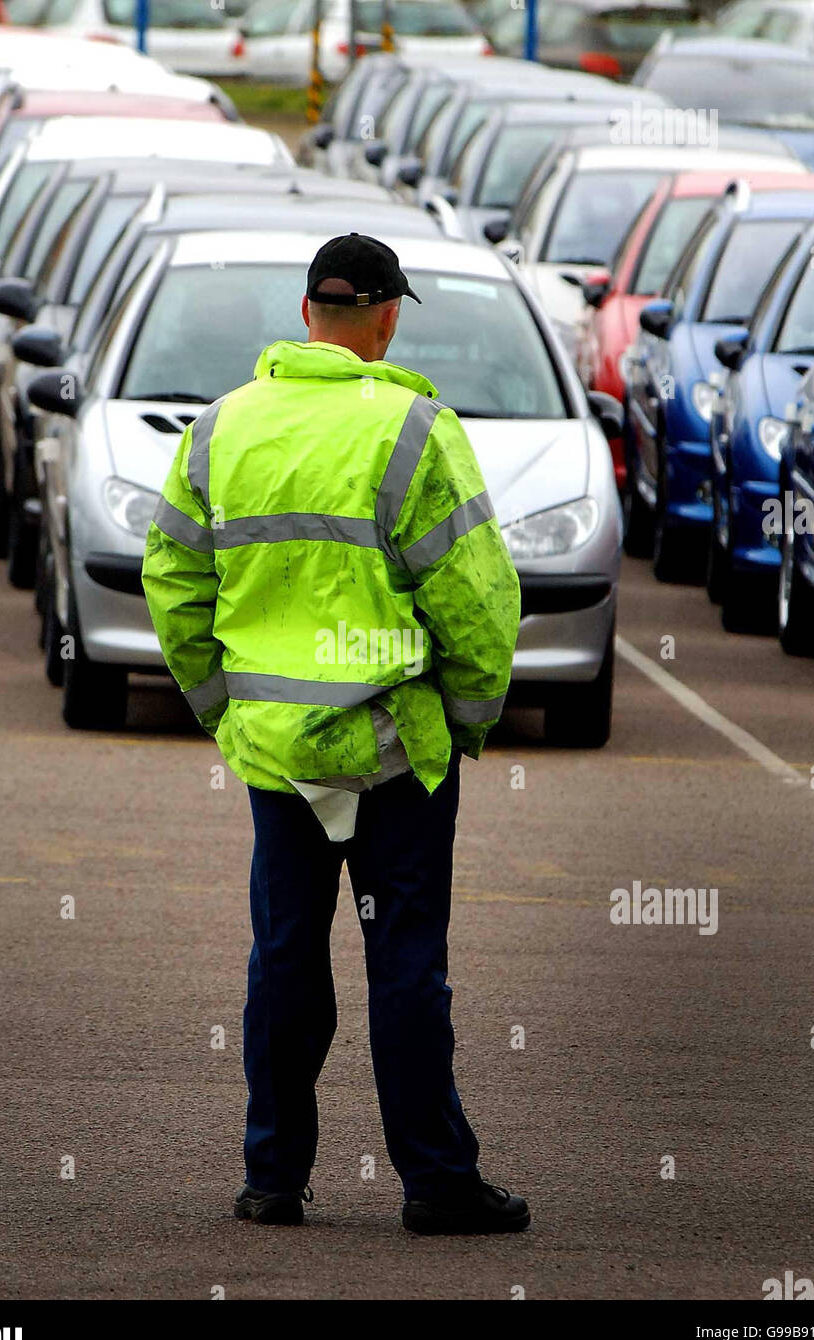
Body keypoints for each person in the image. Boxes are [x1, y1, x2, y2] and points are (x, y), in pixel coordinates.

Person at [142, 233, 527, 1235]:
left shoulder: (221, 430)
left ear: (305, 312)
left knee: (284, 957)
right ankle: (436, 1183)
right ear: (389, 315)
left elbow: (175, 583)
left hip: (279, 753)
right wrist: (470, 721)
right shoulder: (412, 430)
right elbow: (478, 601)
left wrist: (225, 707)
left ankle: (272, 1178)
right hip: (396, 748)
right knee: (404, 960)